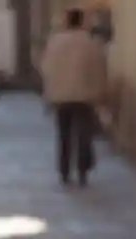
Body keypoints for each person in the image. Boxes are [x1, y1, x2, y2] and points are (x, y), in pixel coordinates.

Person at [40, 8, 109, 186]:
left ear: (66, 21)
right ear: (81, 22)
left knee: (64, 135)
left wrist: (48, 94)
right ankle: (82, 170)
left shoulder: (55, 43)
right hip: (84, 96)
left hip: (61, 96)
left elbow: (47, 69)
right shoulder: (91, 43)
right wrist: (100, 92)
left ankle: (64, 171)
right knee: (84, 134)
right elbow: (99, 69)